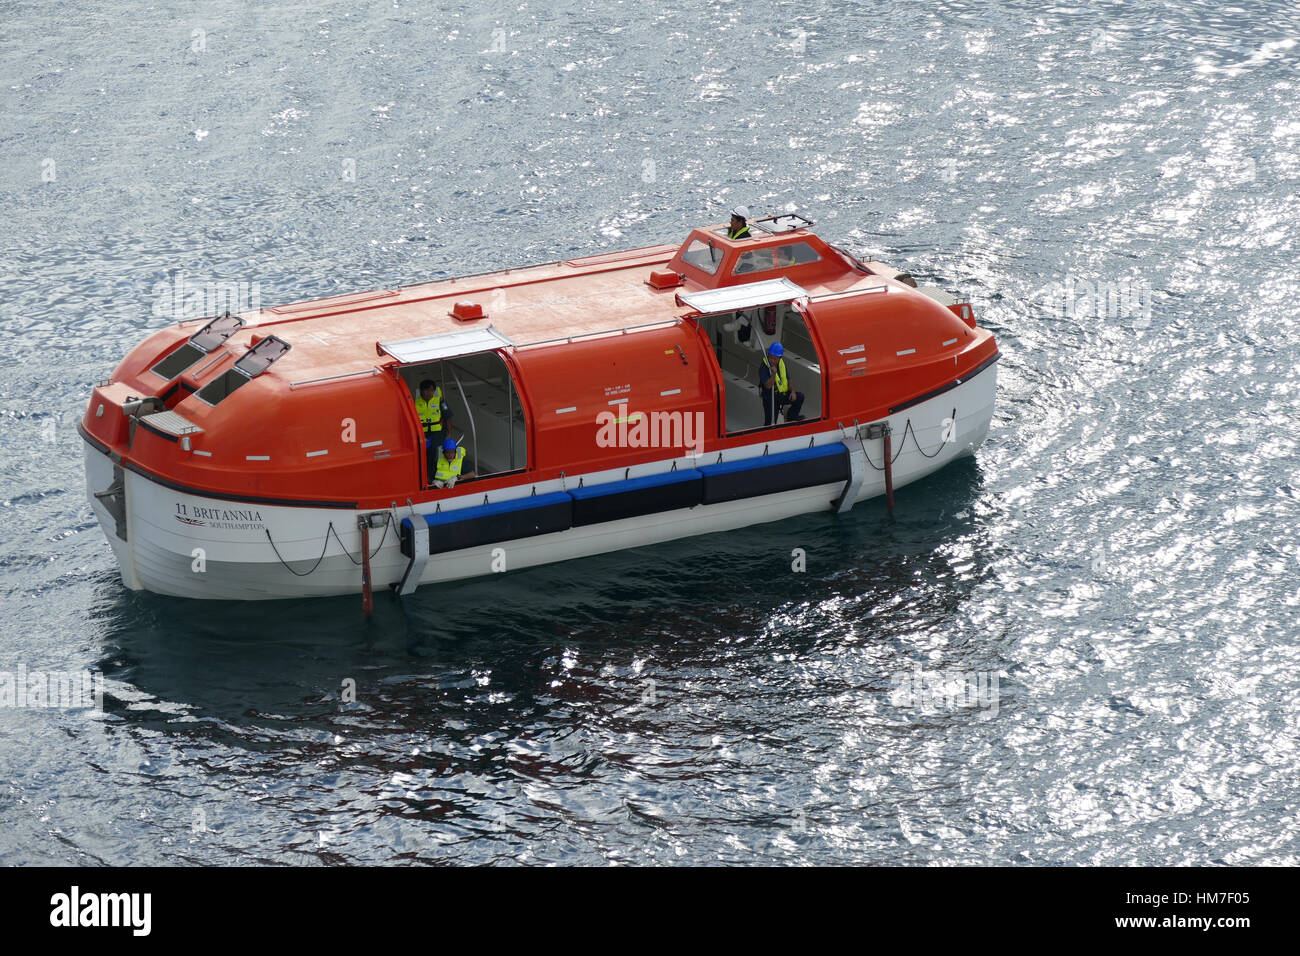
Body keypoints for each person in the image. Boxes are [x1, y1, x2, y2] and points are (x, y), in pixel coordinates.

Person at [759, 342, 805, 426]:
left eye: (775, 358)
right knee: (770, 423)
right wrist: (773, 374)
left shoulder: (781, 363)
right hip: (770, 398)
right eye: (770, 357)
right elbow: (768, 386)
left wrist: (792, 391)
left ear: (780, 358)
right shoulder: (764, 367)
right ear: (768, 355)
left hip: (781, 394)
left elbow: (788, 379)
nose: (772, 360)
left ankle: (792, 418)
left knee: (800, 397)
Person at [415, 378, 451, 478]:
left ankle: (431, 476)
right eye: (426, 390)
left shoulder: (440, 402)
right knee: (420, 451)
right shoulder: (415, 404)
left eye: (431, 390)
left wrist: (449, 434)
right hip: (422, 433)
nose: (429, 393)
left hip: (438, 432)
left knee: (433, 450)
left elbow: (447, 417)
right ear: (421, 391)